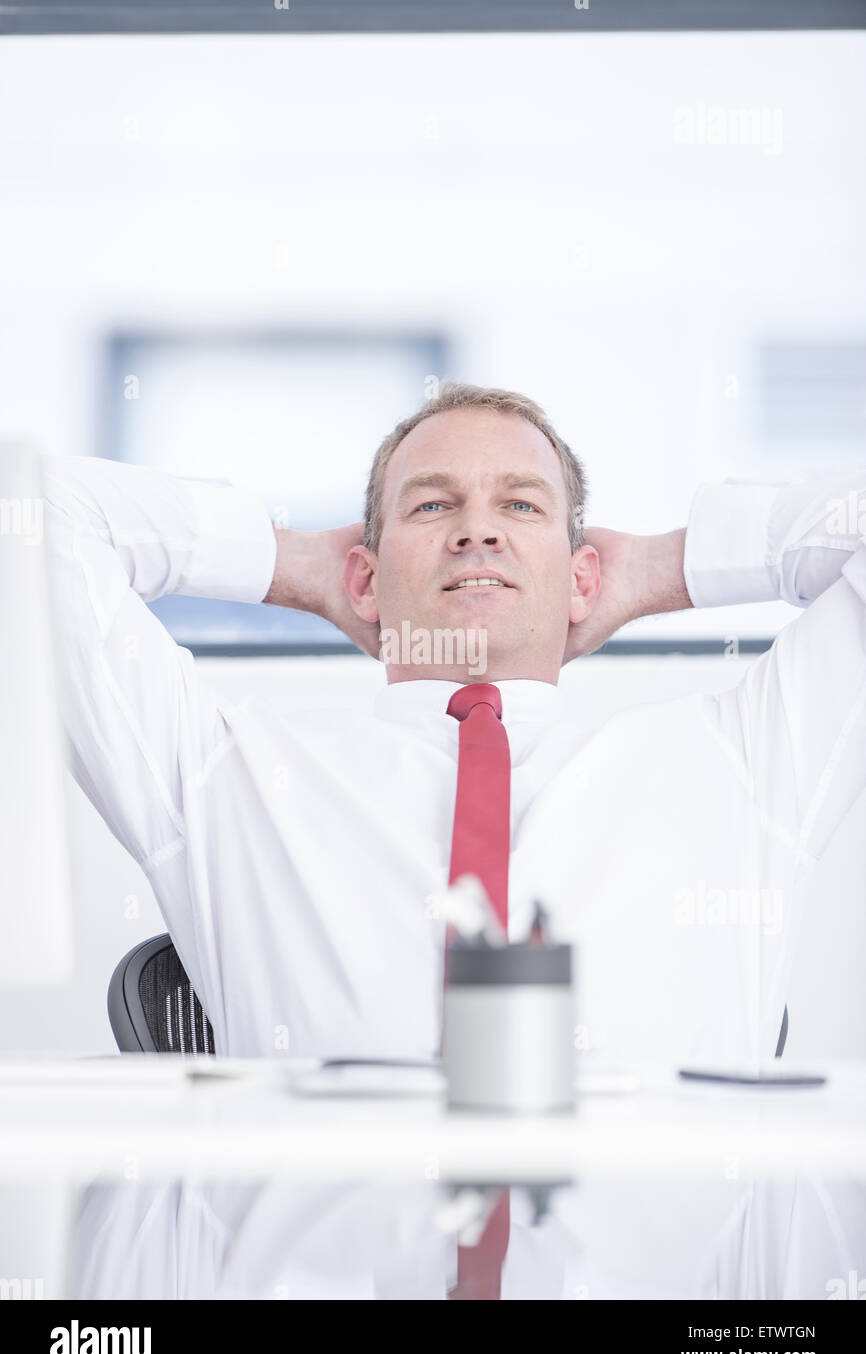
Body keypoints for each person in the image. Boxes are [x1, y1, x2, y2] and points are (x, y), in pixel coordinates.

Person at [43, 382, 866, 1068]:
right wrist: (289, 566)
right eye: (434, 504)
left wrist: (666, 569)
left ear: (584, 580)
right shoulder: (223, 773)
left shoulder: (742, 763)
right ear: (362, 579)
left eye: (521, 503)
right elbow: (35, 517)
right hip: (335, 1244)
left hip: (655, 1249)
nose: (478, 529)